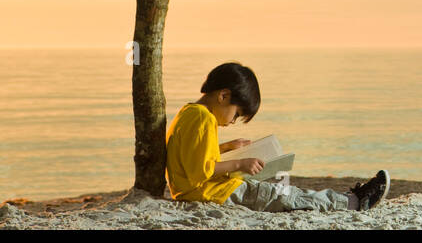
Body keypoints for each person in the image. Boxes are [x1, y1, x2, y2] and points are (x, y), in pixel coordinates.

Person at [165, 61, 390, 212]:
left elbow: (192, 156)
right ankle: (353, 202)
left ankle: (341, 198)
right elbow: (200, 170)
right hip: (210, 192)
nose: (232, 121)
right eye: (236, 115)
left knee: (279, 191)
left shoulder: (189, 113)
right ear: (224, 95)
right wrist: (240, 163)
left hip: (198, 191)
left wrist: (226, 147)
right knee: (279, 194)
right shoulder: (203, 118)